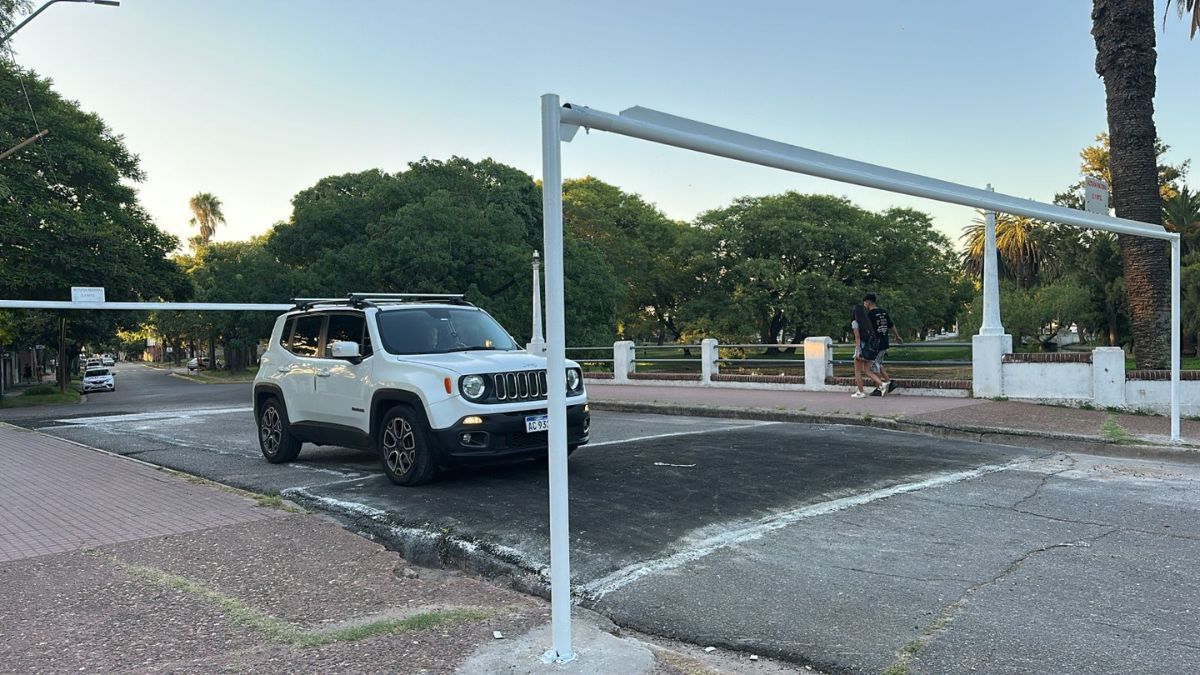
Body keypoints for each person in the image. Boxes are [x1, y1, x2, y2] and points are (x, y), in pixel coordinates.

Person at [863, 293, 903, 395]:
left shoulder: (870, 315)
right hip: (884, 342)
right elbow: (891, 325)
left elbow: (868, 330)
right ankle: (889, 382)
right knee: (878, 363)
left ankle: (879, 388)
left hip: (875, 344)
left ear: (868, 302)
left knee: (873, 366)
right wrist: (897, 336)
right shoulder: (884, 312)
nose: (864, 305)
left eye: (864, 302)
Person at [850, 303, 885, 398]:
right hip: (869, 349)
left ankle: (860, 392)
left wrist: (857, 351)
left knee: (857, 371)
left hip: (861, 349)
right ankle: (882, 384)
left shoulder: (855, 323)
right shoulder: (867, 322)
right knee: (867, 370)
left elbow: (857, 337)